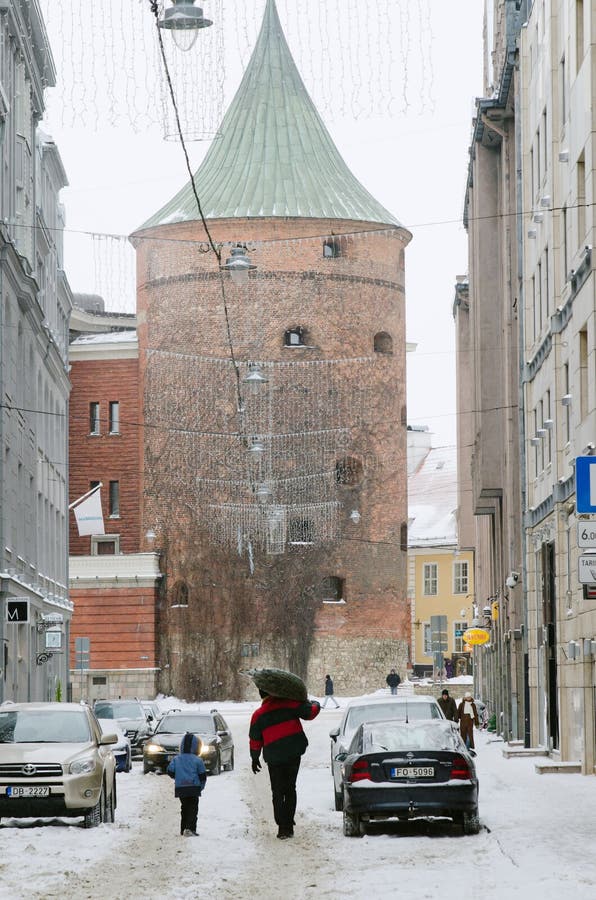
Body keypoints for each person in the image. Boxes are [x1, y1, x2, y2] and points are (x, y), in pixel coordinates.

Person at [249, 689, 321, 839]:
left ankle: (282, 826)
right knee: (290, 788)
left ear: (262, 695)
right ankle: (288, 824)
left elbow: (255, 740)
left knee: (277, 791)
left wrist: (255, 758)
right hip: (293, 753)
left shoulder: (258, 715)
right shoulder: (290, 704)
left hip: (274, 758)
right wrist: (315, 704)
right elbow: (310, 713)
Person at [167, 732, 207, 837]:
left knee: (184, 808)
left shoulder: (177, 759)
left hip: (181, 788)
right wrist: (201, 787)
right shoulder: (197, 760)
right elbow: (202, 775)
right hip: (194, 788)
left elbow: (170, 771)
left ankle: (183, 828)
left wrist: (178, 777)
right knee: (193, 809)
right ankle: (190, 829)